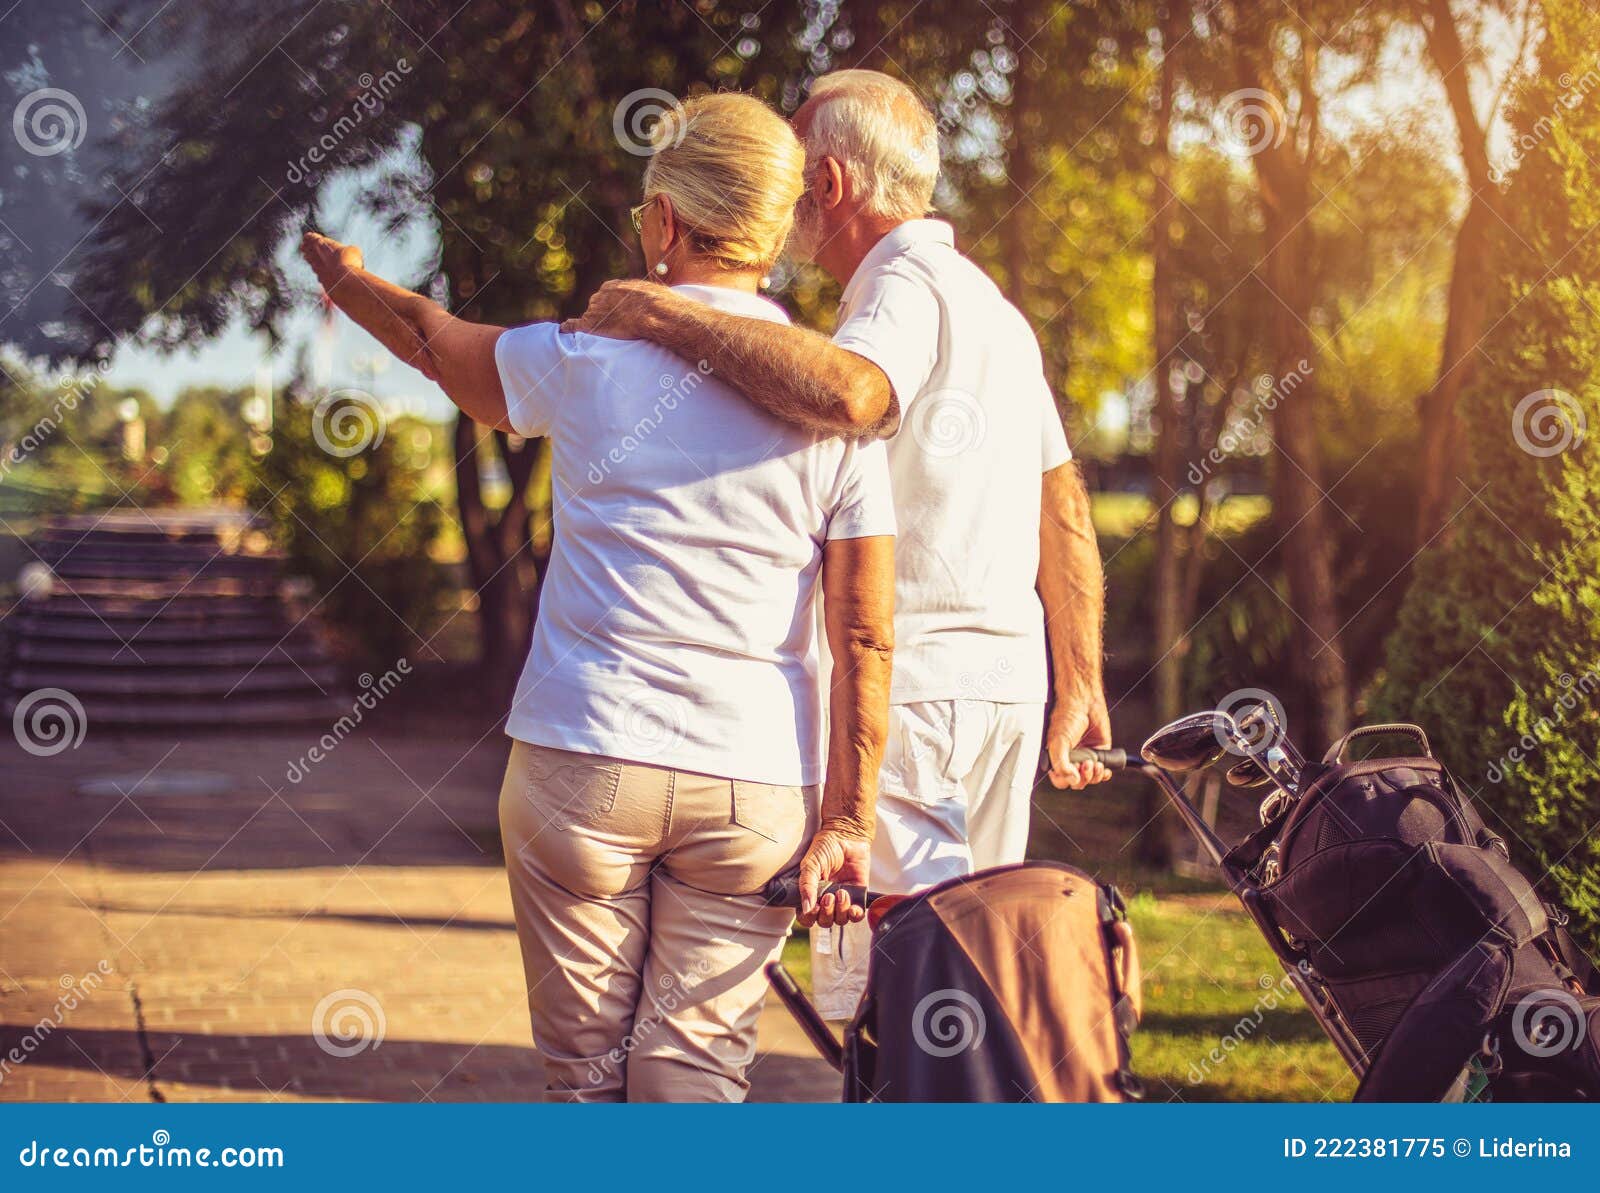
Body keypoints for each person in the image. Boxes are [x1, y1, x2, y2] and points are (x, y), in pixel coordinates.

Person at [298, 91, 895, 1100]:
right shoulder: (836, 413)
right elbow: (868, 635)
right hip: (754, 783)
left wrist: (348, 279)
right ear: (775, 231)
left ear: (664, 223)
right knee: (693, 1076)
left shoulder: (579, 360)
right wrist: (847, 818)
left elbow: (431, 339)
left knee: (586, 1082)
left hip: (584, 759)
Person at [563, 69, 1113, 1018]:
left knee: (897, 997)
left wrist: (656, 310)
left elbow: (854, 393)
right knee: (975, 987)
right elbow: (1060, 502)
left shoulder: (898, 288)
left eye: (792, 178)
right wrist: (1080, 683)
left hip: (915, 702)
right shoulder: (993, 308)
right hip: (1005, 693)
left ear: (829, 184)